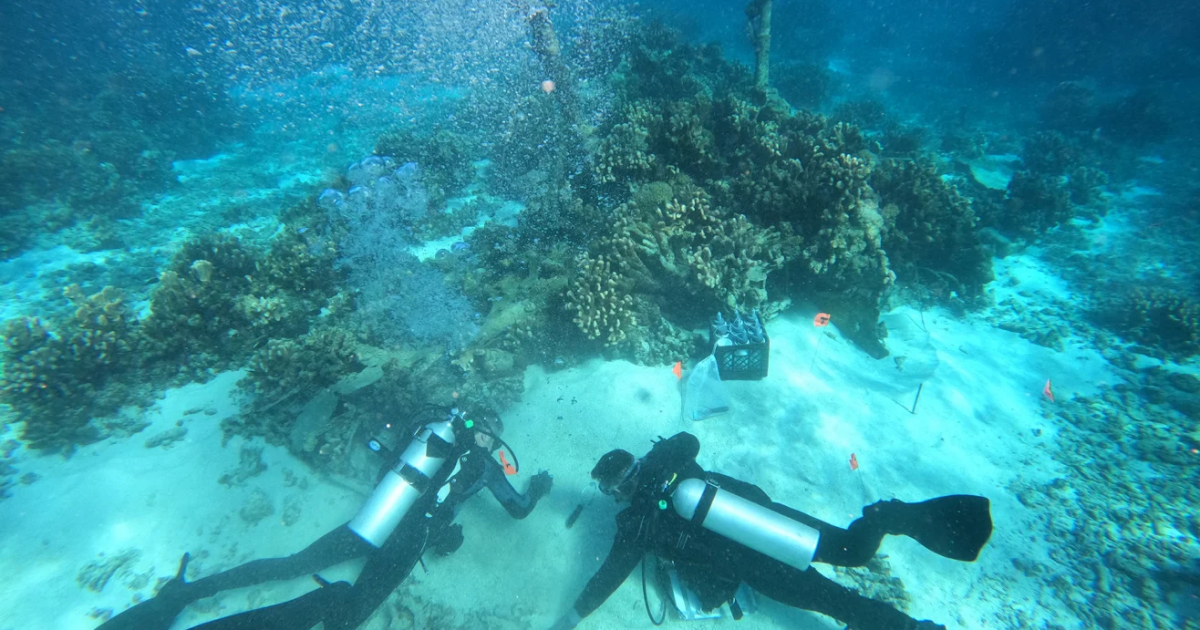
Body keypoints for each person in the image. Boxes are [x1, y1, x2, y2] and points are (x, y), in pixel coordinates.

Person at [97, 405, 553, 630]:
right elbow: (517, 510)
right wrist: (536, 488)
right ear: (489, 439)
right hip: (406, 541)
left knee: (290, 564)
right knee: (349, 612)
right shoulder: (485, 465)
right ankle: (326, 600)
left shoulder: (428, 438)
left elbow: (385, 466)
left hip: (373, 519)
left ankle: (185, 594)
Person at [547, 432, 992, 630]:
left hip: (752, 559)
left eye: (620, 484)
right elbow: (688, 441)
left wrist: (570, 619)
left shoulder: (636, 523)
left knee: (838, 602)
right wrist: (657, 465)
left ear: (615, 492)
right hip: (770, 520)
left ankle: (910, 629)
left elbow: (609, 575)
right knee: (851, 550)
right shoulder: (673, 464)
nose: (624, 490)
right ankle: (888, 517)